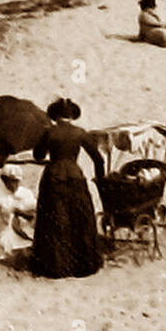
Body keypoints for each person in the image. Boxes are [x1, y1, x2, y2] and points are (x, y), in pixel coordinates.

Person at [31, 98, 104, 279]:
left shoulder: (49, 132)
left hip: (54, 177)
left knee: (54, 220)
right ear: (72, 116)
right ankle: (83, 265)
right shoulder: (80, 133)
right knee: (80, 219)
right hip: (75, 177)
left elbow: (38, 156)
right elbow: (98, 158)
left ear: (55, 115)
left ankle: (55, 267)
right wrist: (100, 178)